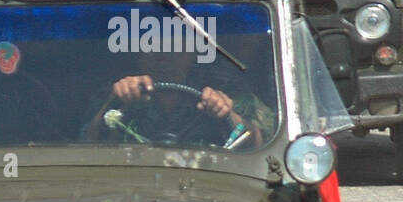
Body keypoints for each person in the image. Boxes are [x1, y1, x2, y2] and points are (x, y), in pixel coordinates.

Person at [82, 47, 273, 148]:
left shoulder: (226, 87)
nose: (164, 58)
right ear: (138, 53)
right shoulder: (114, 91)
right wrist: (115, 102)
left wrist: (227, 114)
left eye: (175, 47)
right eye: (152, 47)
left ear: (192, 53)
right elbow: (84, 146)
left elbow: (264, 144)